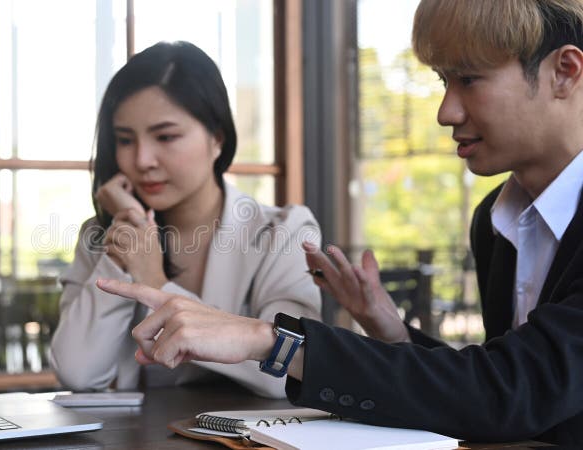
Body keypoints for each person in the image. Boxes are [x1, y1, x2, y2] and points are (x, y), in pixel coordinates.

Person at [96, 0, 583, 444]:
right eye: (443, 81)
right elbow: (519, 385)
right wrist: (394, 334)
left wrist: (269, 338)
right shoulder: (496, 220)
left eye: (469, 79)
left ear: (564, 72)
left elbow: (512, 392)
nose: (445, 110)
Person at [49, 41, 322, 398]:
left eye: (166, 136)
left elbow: (287, 372)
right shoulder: (103, 236)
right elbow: (77, 373)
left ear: (217, 138)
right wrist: (120, 254)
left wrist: (156, 283)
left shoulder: (283, 232)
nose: (143, 159)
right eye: (125, 140)